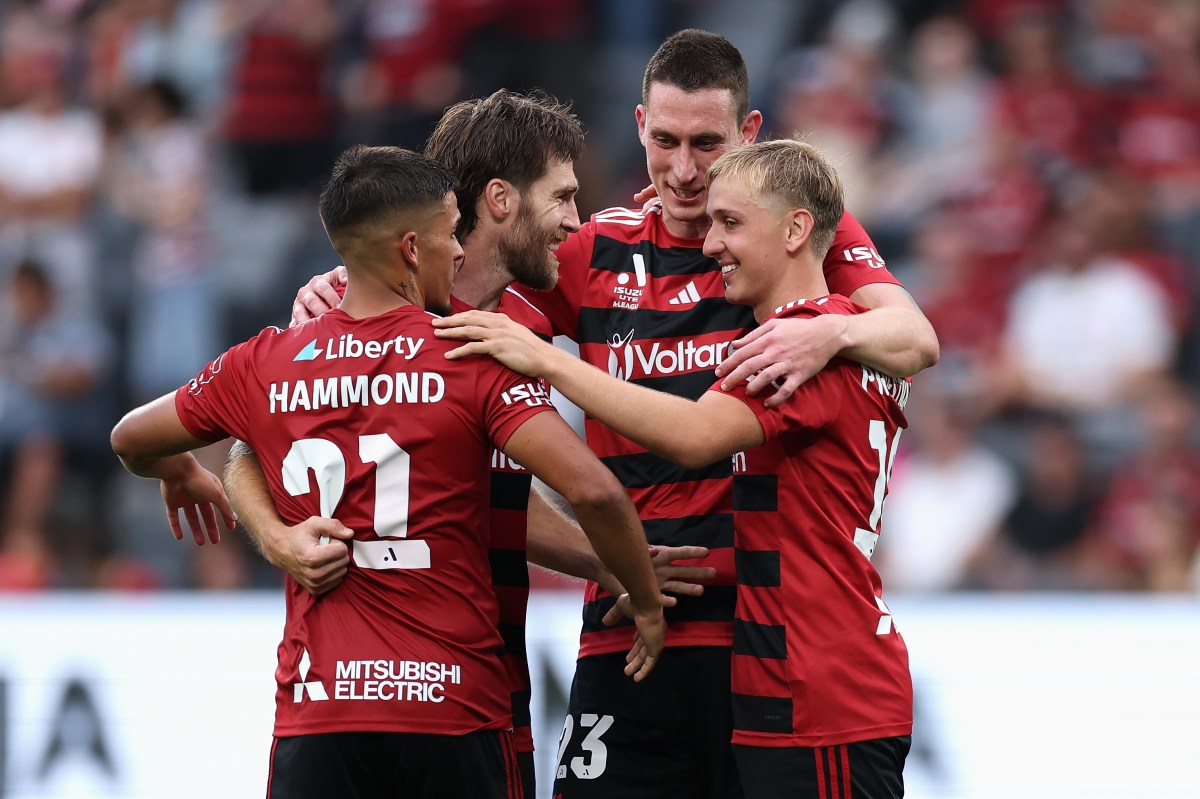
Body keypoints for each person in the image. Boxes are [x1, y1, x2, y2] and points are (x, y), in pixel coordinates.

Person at [292, 29, 937, 798]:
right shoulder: (592, 250)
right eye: (666, 141)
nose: (686, 170)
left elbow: (916, 336)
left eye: (708, 143)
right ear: (639, 127)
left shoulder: (791, 232)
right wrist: (354, 287)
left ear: (749, 134)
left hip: (763, 638)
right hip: (627, 630)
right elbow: (446, 342)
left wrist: (834, 329)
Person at [110, 144, 666, 799]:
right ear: (410, 248)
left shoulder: (263, 360)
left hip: (321, 709)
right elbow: (594, 488)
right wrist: (646, 598)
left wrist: (177, 471)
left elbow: (131, 437)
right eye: (445, 234)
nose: (458, 252)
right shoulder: (471, 356)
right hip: (450, 705)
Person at [434, 138, 914, 799]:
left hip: (820, 685)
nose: (708, 242)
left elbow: (693, 435)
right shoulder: (843, 331)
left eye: (731, 222)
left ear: (798, 230)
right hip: (793, 674)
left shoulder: (801, 342)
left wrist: (547, 360)